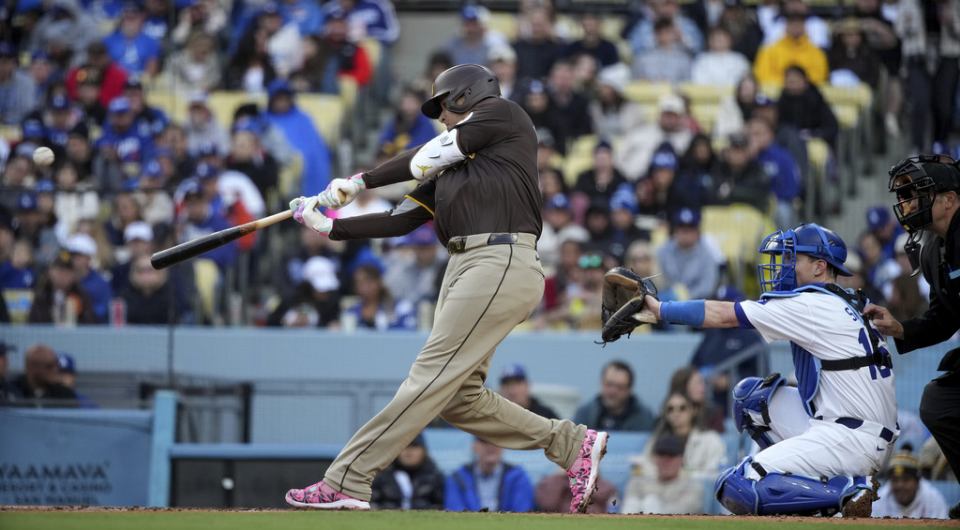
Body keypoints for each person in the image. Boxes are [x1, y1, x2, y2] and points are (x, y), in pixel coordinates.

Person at [283, 64, 608, 513]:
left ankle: (348, 479)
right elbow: (400, 220)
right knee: (457, 399)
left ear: (469, 95)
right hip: (465, 266)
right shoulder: (450, 169)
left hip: (499, 257)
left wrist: (360, 181)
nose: (441, 117)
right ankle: (571, 445)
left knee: (428, 377)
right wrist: (329, 227)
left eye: (444, 106)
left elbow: (425, 155)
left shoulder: (504, 115)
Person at [637, 223, 898, 517]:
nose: (784, 267)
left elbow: (723, 315)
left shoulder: (812, 303)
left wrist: (660, 310)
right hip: (856, 429)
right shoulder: (849, 301)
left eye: (793, 259)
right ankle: (822, 485)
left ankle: (848, 491)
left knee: (738, 485)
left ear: (820, 266)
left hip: (852, 440)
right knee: (752, 400)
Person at [864, 155, 960, 520]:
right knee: (939, 401)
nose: (907, 204)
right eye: (905, 195)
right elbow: (944, 317)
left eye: (918, 194)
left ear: (949, 199)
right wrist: (901, 328)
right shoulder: (936, 248)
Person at [636, 391, 728, 478]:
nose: (676, 413)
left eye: (682, 408)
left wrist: (681, 475)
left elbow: (713, 473)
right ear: (665, 414)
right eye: (670, 409)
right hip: (662, 489)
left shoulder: (710, 439)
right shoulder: (656, 439)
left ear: (693, 410)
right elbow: (645, 466)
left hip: (697, 489)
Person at [444, 437, 535, 512]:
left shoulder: (519, 477)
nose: (490, 447)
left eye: (495, 442)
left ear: (503, 447)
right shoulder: (458, 478)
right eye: (484, 442)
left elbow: (522, 512)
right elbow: (454, 511)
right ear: (474, 447)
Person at [620, 435, 705, 514]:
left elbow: (681, 513)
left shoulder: (692, 487)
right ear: (654, 458)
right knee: (634, 503)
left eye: (671, 455)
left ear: (681, 459)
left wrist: (652, 504)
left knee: (651, 502)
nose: (666, 460)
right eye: (661, 454)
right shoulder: (637, 483)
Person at [657, 208, 723, 301]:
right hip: (665, 302)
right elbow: (655, 278)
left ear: (698, 232)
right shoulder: (663, 251)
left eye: (690, 228)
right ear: (675, 230)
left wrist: (684, 297)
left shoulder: (708, 253)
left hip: (696, 304)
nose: (686, 233)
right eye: (682, 228)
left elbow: (708, 286)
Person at [573, 361, 656, 431]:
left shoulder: (644, 418)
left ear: (629, 389)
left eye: (620, 387)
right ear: (601, 382)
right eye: (609, 384)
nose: (613, 391)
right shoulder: (585, 414)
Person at [369, 433, 445, 510]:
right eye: (404, 446)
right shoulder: (382, 476)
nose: (408, 452)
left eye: (414, 446)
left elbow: (443, 507)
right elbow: (371, 504)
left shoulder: (435, 477)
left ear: (423, 450)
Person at [753, 12, 829, 87]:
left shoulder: (816, 52)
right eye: (792, 23)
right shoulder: (770, 51)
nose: (795, 27)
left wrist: (800, 84)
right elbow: (763, 75)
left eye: (798, 24)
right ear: (786, 25)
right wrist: (788, 84)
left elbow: (820, 76)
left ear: (804, 26)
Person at [873, 449, 949, 518]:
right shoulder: (879, 500)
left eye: (906, 480)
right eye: (895, 480)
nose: (900, 485)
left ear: (917, 480)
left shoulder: (934, 500)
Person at [29, 250, 97, 325]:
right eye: (59, 270)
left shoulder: (82, 297)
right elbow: (34, 325)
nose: (62, 275)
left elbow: (89, 325)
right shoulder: (42, 297)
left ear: (73, 275)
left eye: (67, 271)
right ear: (50, 272)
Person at [66, 233, 112, 323]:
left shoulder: (101, 283)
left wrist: (82, 310)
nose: (75, 259)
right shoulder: (63, 279)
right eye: (72, 255)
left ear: (89, 257)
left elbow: (105, 309)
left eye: (79, 256)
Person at [11, 343, 78, 405]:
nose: (56, 369)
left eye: (56, 364)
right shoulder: (12, 391)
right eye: (49, 366)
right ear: (31, 368)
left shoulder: (64, 394)